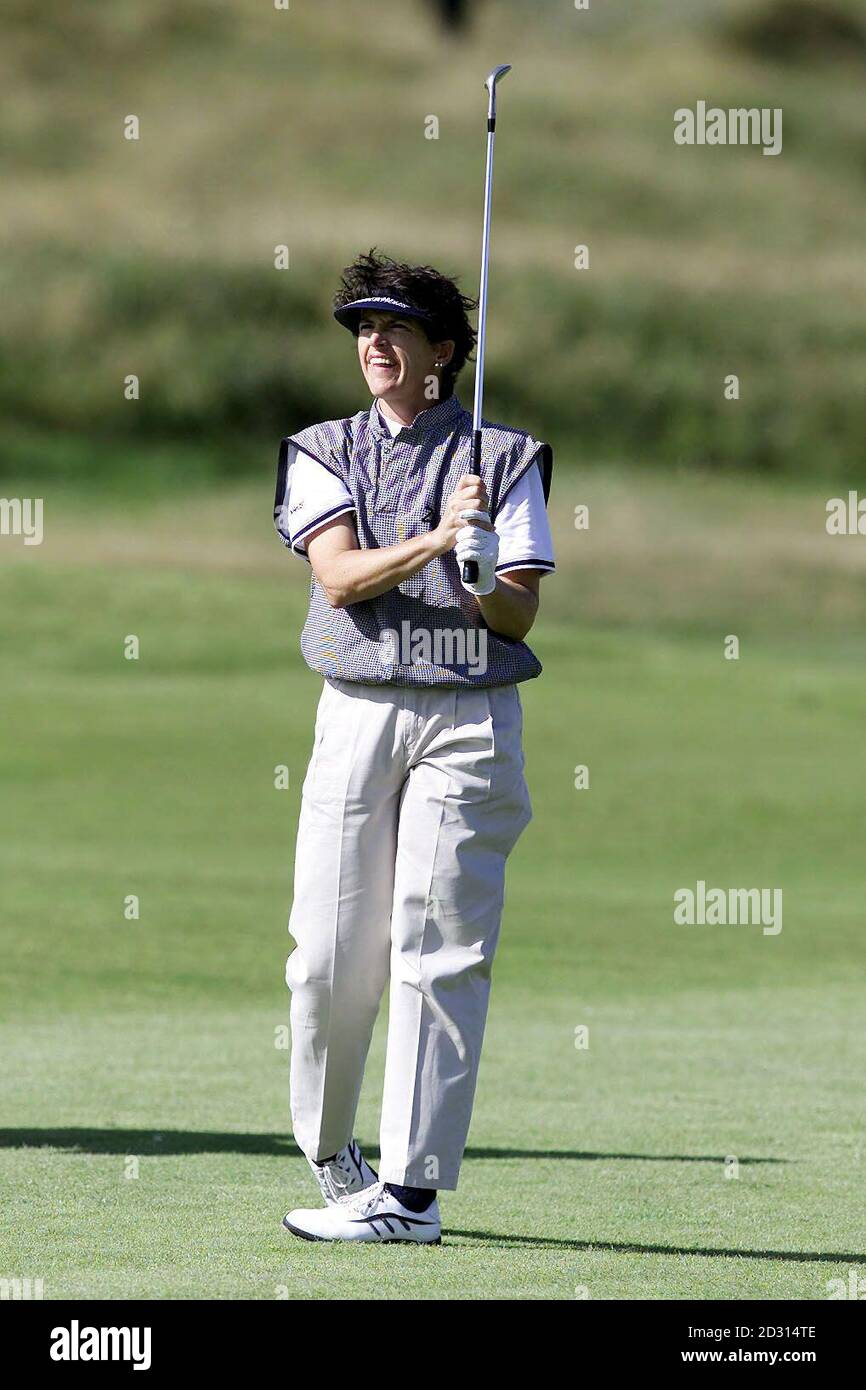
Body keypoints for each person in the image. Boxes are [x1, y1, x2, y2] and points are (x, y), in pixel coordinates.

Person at [274, 249, 554, 1243]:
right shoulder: (321, 448)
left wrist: (481, 570)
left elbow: (516, 616)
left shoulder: (505, 458)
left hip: (468, 718)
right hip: (356, 706)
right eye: (364, 329)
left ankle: (412, 1193)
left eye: (396, 329)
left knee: (438, 949)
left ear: (443, 351)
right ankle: (333, 1156)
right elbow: (339, 578)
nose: (376, 344)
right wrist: (439, 539)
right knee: (326, 957)